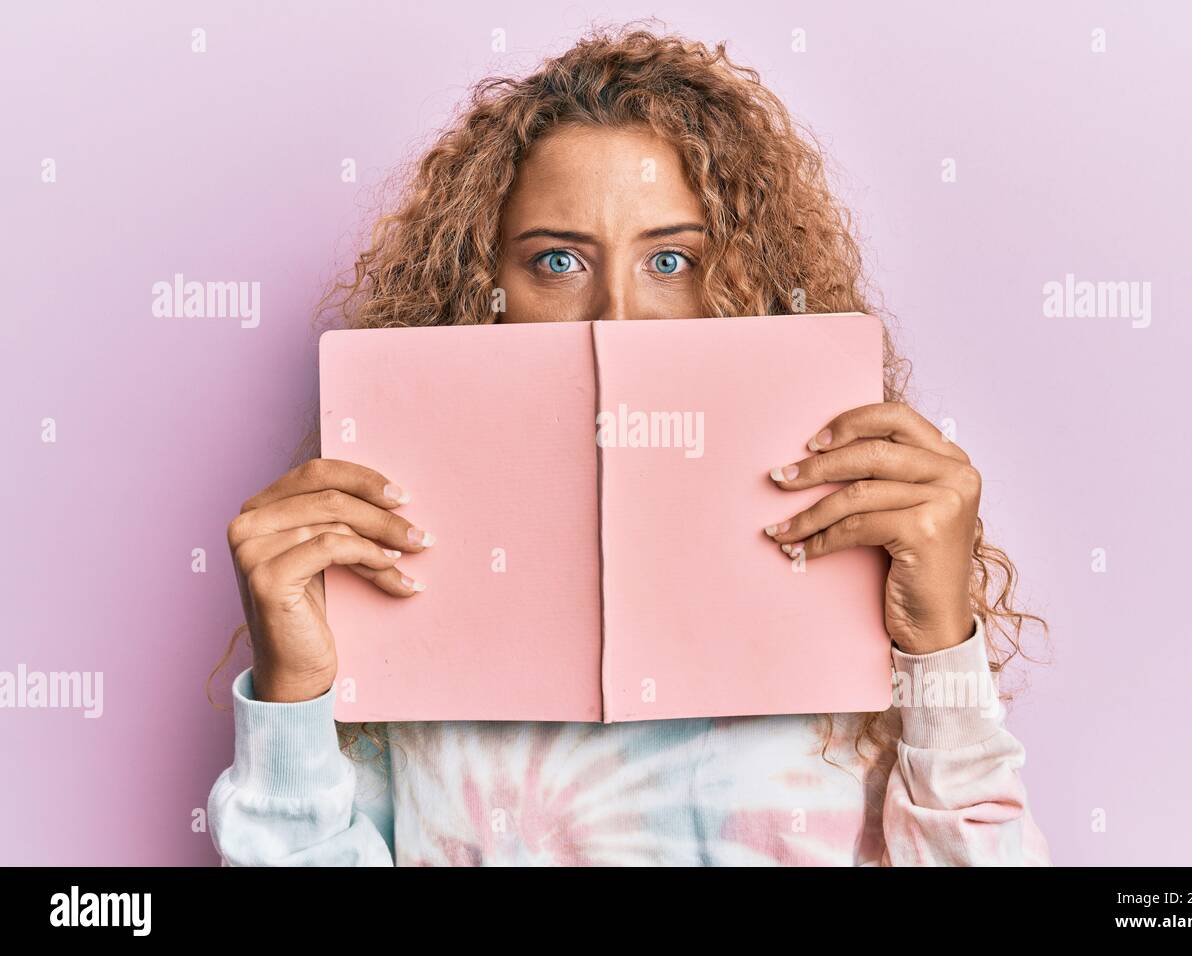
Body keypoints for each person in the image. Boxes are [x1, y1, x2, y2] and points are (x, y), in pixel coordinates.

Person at [207, 25, 1051, 866]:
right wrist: (294, 698)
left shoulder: (862, 545)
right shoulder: (390, 568)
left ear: (748, 282)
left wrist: (939, 647)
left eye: (673, 260)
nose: (617, 315)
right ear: (484, 288)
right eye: (558, 262)